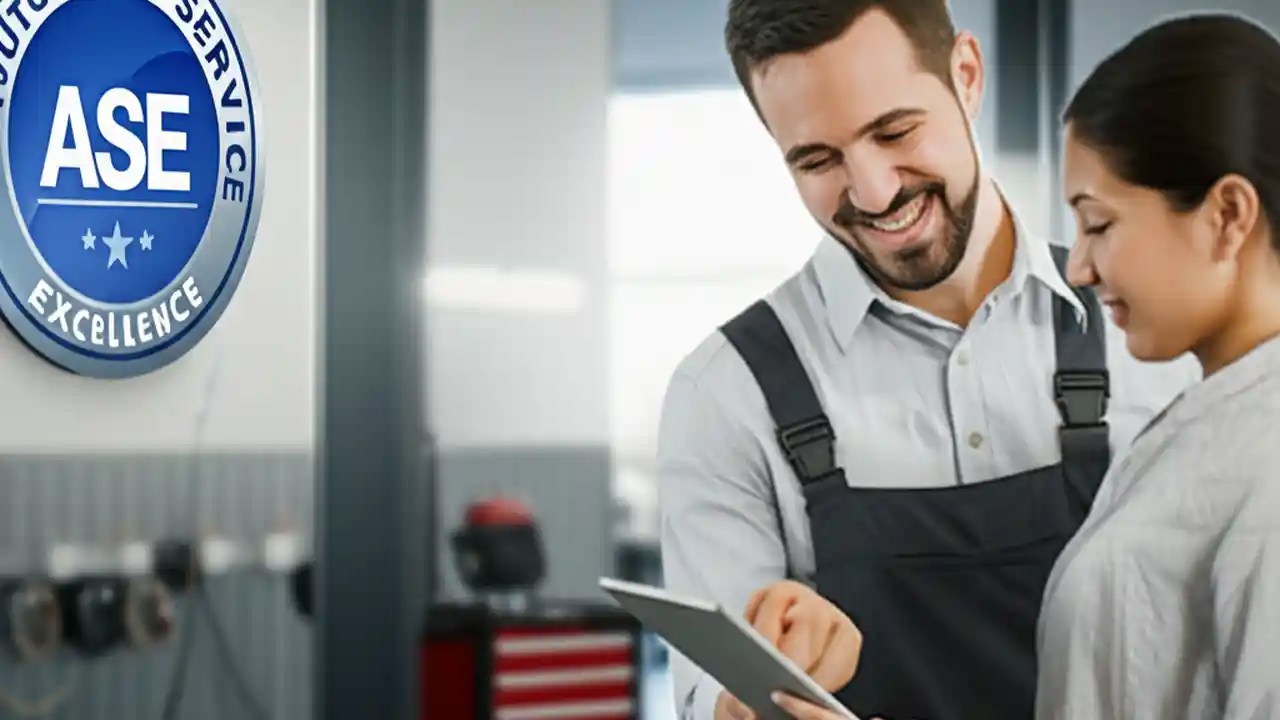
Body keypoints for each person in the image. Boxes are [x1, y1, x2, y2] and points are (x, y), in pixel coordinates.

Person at [655, 2, 1199, 719]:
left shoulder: (1161, 337)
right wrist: (750, 698)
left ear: (966, 77)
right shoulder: (724, 395)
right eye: (818, 160)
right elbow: (708, 698)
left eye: (895, 131)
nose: (875, 192)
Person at [769, 11, 1280, 720]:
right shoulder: (1198, 424)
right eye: (818, 159)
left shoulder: (1266, 462)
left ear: (1226, 214)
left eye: (1099, 224)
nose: (1082, 267)